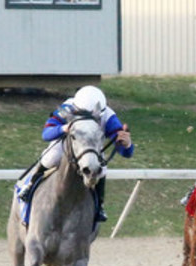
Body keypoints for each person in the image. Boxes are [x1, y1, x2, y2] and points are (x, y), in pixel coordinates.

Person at [16, 85, 133, 224]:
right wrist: (63, 128)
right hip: (68, 144)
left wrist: (127, 145)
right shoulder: (67, 108)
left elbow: (125, 153)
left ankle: (99, 204)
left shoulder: (109, 117)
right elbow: (46, 134)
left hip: (91, 147)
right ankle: (29, 186)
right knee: (51, 156)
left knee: (101, 167)